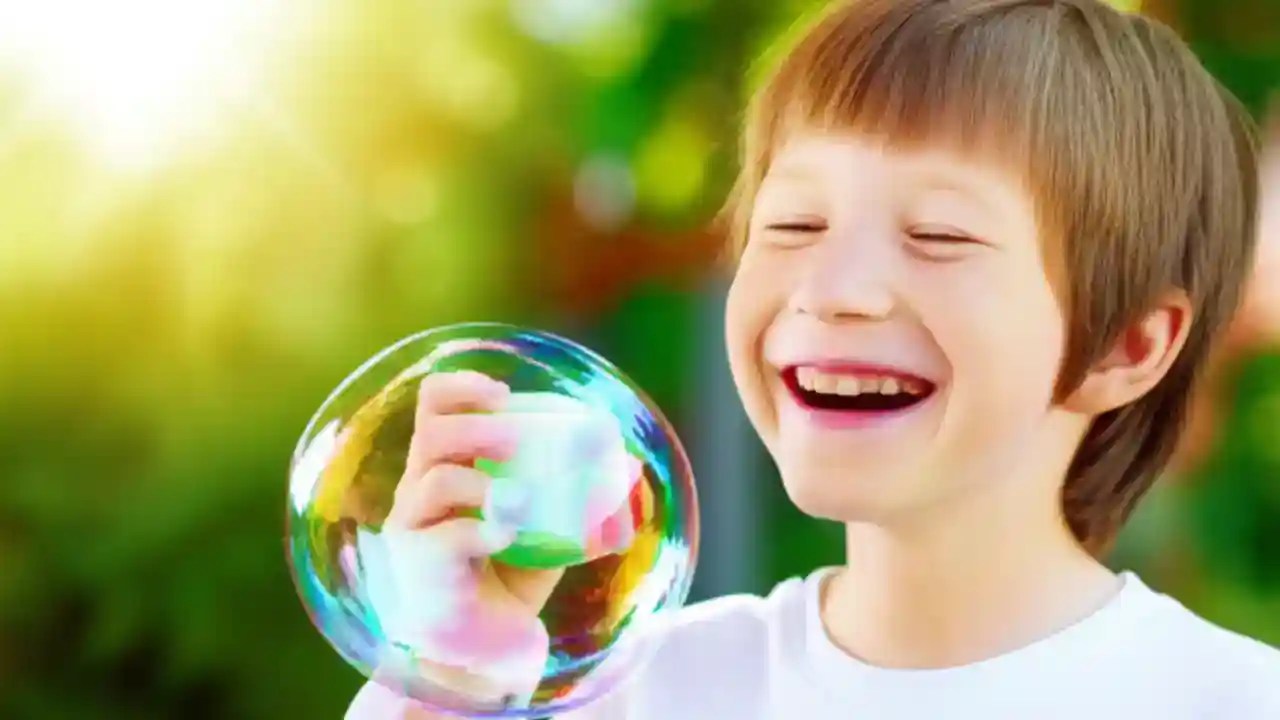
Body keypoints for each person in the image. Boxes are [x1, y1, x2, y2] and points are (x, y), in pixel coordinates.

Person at [348, 0, 1280, 717]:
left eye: (938, 232)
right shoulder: (643, 692)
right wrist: (451, 667)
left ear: (1126, 345)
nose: (832, 288)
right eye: (792, 222)